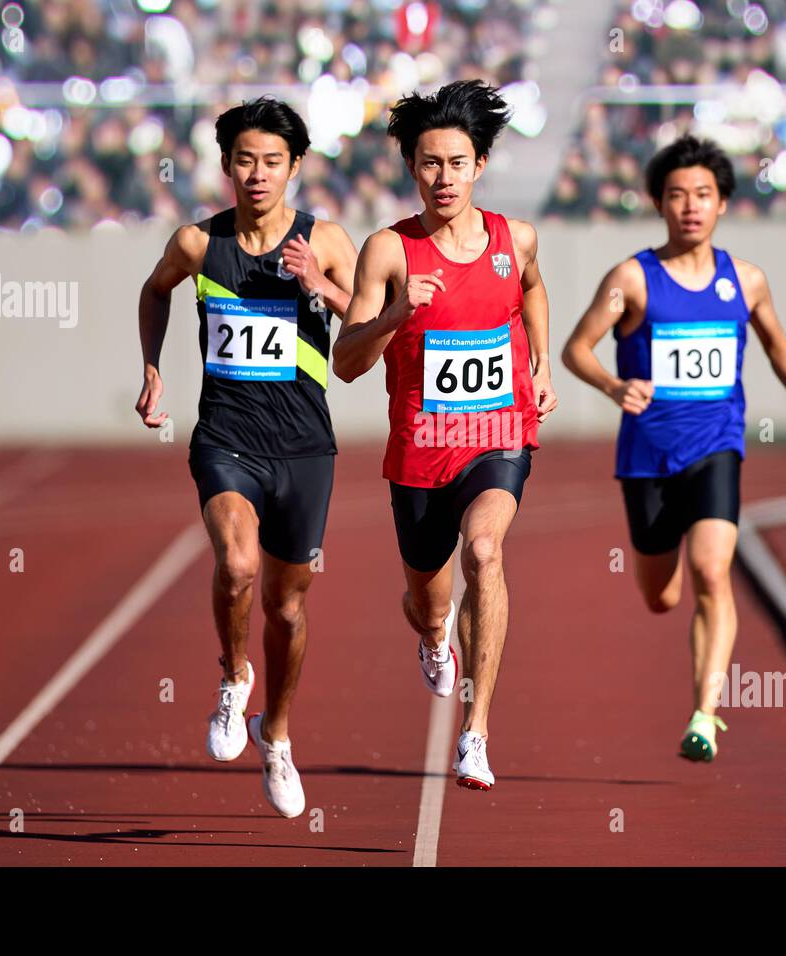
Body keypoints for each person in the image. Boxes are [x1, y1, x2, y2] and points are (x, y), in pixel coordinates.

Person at [562, 134, 786, 761]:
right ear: (658, 202)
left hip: (717, 445)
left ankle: (705, 714)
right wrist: (613, 383)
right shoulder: (632, 278)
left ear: (723, 203)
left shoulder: (747, 280)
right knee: (662, 597)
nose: (690, 207)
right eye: (677, 195)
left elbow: (777, 346)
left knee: (714, 571)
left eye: (703, 195)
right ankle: (666, 567)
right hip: (647, 457)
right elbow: (576, 347)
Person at [332, 79, 558, 791]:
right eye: (430, 163)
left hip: (500, 435)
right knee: (428, 602)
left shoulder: (512, 238)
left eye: (456, 163)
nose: (443, 178)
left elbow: (531, 287)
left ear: (479, 165)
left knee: (485, 550)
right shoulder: (387, 251)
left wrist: (542, 361)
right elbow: (345, 363)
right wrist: (396, 312)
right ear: (412, 169)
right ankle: (435, 635)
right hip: (421, 455)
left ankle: (476, 734)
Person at [135, 97, 357, 815]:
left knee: (288, 608)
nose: (257, 174)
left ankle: (279, 735)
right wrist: (153, 369)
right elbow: (153, 290)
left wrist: (318, 286)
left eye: (272, 162)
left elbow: (370, 320)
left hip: (304, 447)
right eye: (244, 161)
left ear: (294, 167)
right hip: (226, 439)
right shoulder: (199, 245)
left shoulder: (325, 239)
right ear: (227, 164)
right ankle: (234, 678)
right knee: (236, 563)